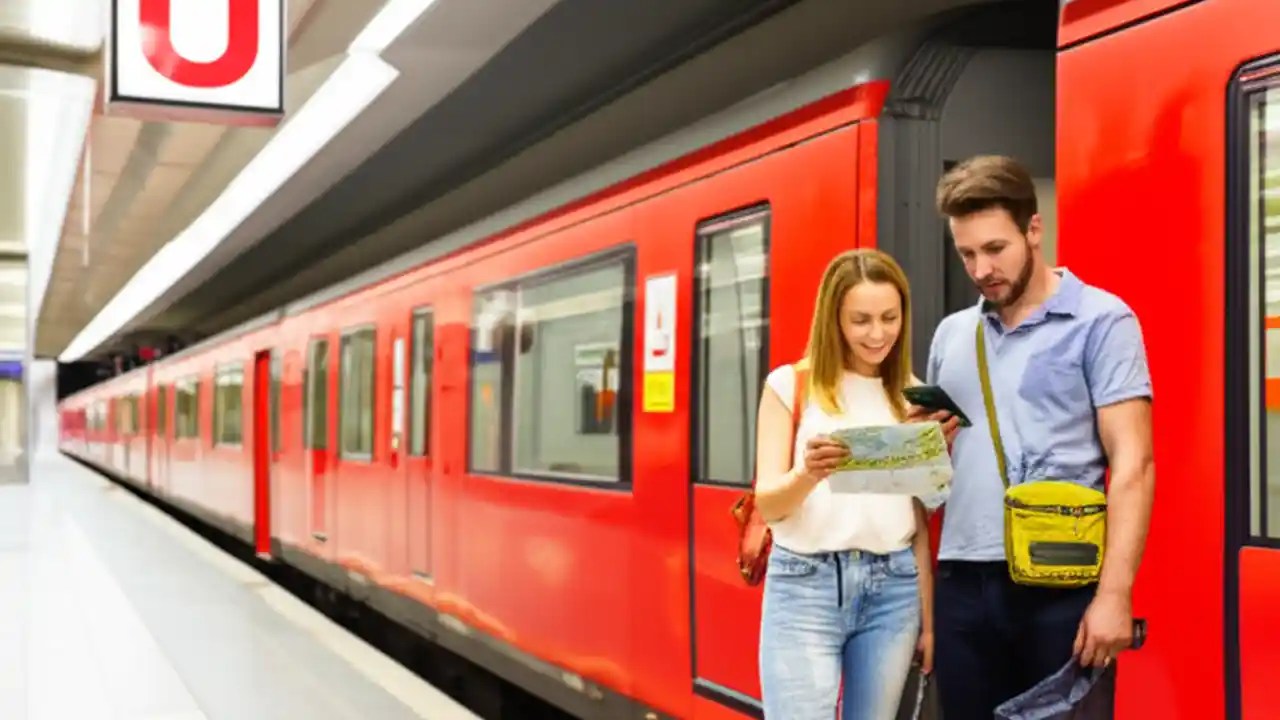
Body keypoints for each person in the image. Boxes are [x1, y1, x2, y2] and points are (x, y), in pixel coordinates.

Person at [913, 155, 1155, 719]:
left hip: (1061, 580)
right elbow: (931, 480)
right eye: (967, 253)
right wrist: (925, 448)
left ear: (1034, 229)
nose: (981, 269)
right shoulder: (953, 334)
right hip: (962, 585)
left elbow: (1134, 463)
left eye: (995, 249)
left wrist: (1115, 594)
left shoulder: (1102, 321)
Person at [754, 248, 935, 720]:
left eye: (889, 318)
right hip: (804, 586)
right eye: (861, 320)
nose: (878, 334)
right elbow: (769, 505)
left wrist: (928, 619)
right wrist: (807, 474)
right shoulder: (790, 386)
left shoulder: (912, 396)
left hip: (894, 590)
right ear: (833, 319)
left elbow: (918, 520)